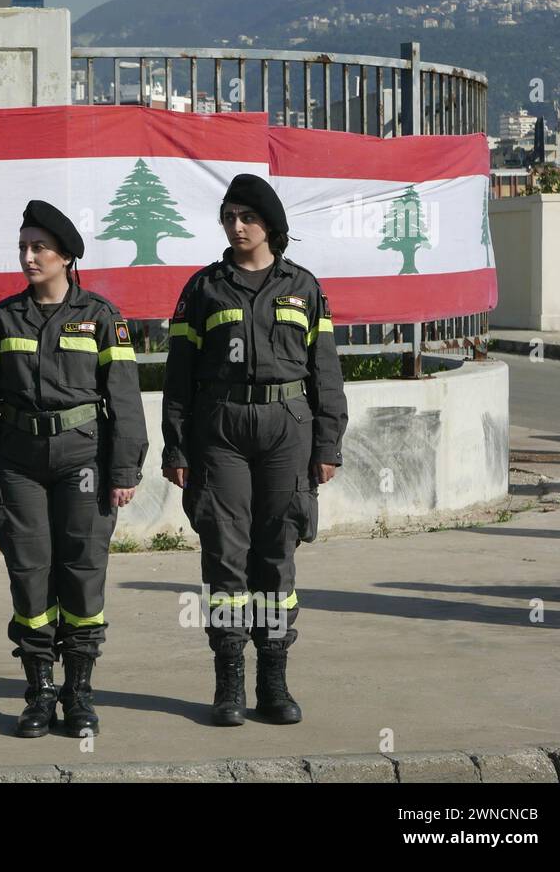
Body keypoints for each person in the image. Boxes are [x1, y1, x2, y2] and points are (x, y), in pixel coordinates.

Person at [161, 173, 349, 726]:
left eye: (247, 217)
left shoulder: (304, 287)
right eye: (229, 217)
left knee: (276, 552)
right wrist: (177, 446)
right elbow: (179, 376)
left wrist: (328, 440)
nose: (237, 226)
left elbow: (326, 372)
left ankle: (273, 681)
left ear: (270, 225)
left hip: (287, 426)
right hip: (219, 428)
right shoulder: (203, 288)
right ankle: (228, 683)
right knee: (224, 552)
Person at [0, 200, 149, 739]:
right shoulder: (2, 318)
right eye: (23, 246)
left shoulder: (103, 318)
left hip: (83, 461)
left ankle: (79, 693)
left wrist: (124, 470)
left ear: (66, 255)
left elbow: (126, 402)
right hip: (17, 462)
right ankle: (40, 690)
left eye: (39, 246)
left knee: (83, 573)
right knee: (29, 572)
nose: (28, 256)